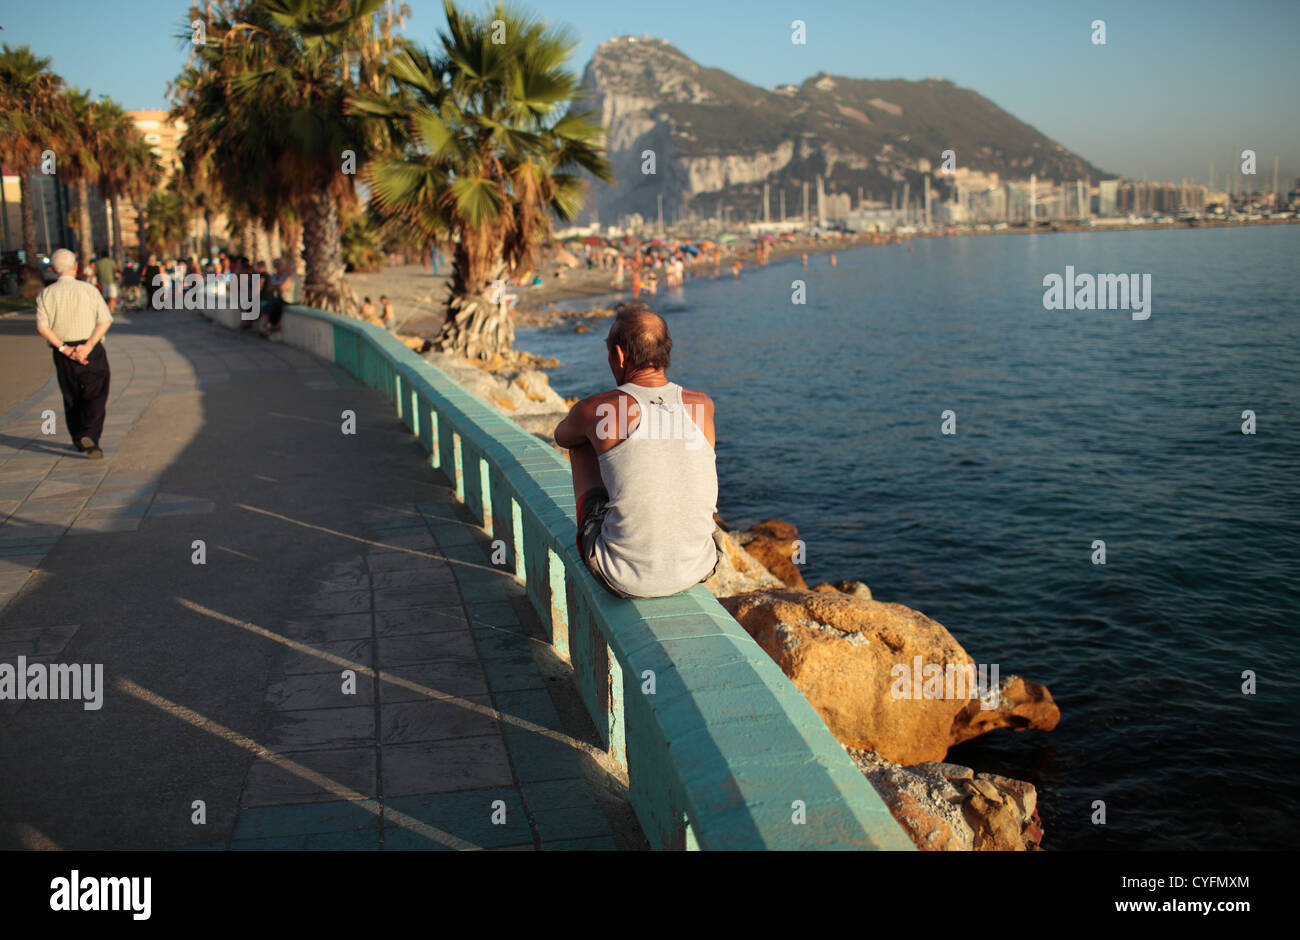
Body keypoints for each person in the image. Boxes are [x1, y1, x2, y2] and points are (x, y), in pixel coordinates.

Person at [553, 303, 720, 598]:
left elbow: (563, 437)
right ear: (665, 352)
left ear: (618, 355)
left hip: (620, 575)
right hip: (701, 566)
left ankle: (614, 533)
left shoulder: (596, 409)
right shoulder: (702, 404)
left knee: (583, 446)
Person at [34, 249, 113, 459]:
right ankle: (91, 437)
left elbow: (43, 327)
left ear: (52, 269)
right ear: (75, 266)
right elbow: (105, 320)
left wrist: (64, 348)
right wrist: (88, 346)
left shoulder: (46, 294)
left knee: (71, 396)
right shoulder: (89, 290)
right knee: (96, 394)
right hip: (91, 349)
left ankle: (79, 439)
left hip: (64, 353)